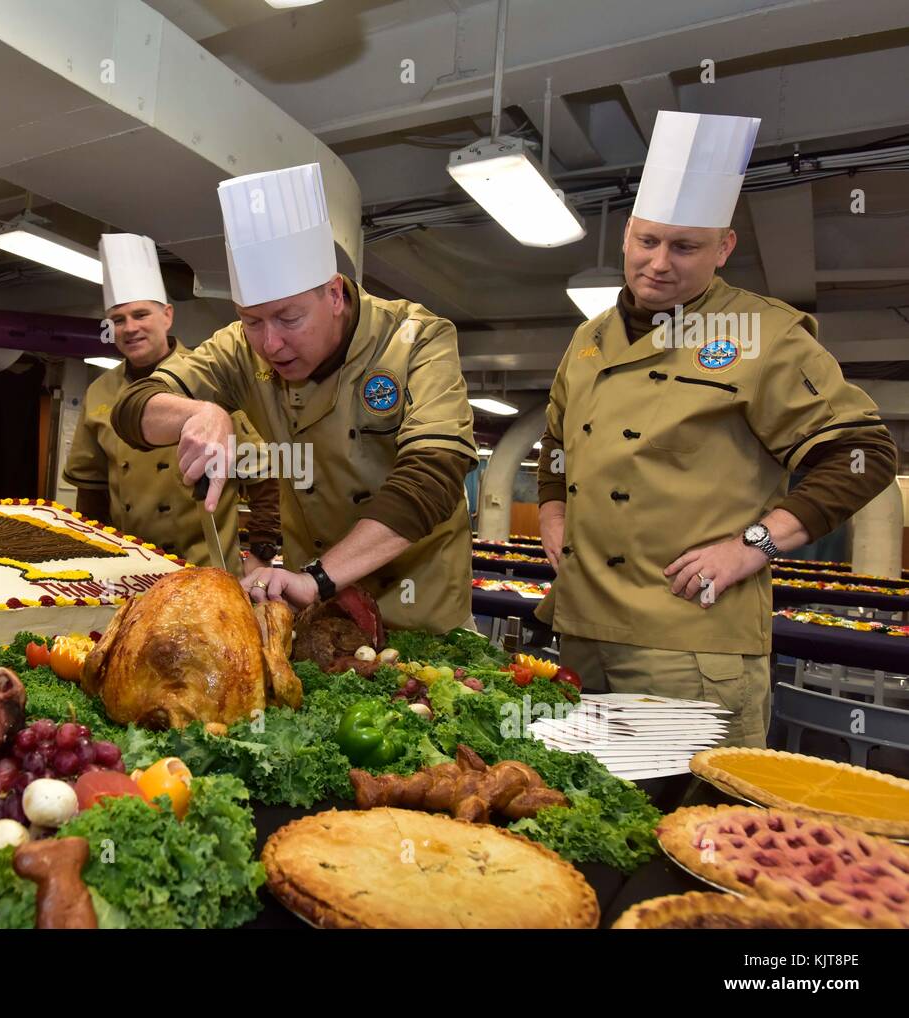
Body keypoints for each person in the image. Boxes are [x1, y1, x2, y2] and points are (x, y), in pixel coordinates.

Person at [535, 111, 898, 747]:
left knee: (696, 828)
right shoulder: (588, 339)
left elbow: (863, 453)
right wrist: (551, 518)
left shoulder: (763, 335)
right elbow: (559, 446)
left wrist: (755, 543)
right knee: (585, 817)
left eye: (685, 247)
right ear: (625, 236)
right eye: (647, 241)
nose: (658, 264)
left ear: (724, 248)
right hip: (582, 630)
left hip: (689, 644)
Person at [109, 164, 478, 633]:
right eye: (252, 321)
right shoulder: (238, 348)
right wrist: (199, 410)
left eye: (288, 318)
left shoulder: (415, 338)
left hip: (420, 609)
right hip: (316, 611)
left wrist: (320, 577)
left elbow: (433, 476)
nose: (269, 344)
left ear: (334, 293)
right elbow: (133, 407)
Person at [63, 233, 280, 573]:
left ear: (167, 315)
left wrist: (262, 552)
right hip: (129, 569)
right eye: (118, 320)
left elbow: (263, 475)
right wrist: (93, 556)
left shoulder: (211, 378)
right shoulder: (100, 392)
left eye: (140, 315)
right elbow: (92, 489)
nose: (130, 328)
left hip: (204, 568)